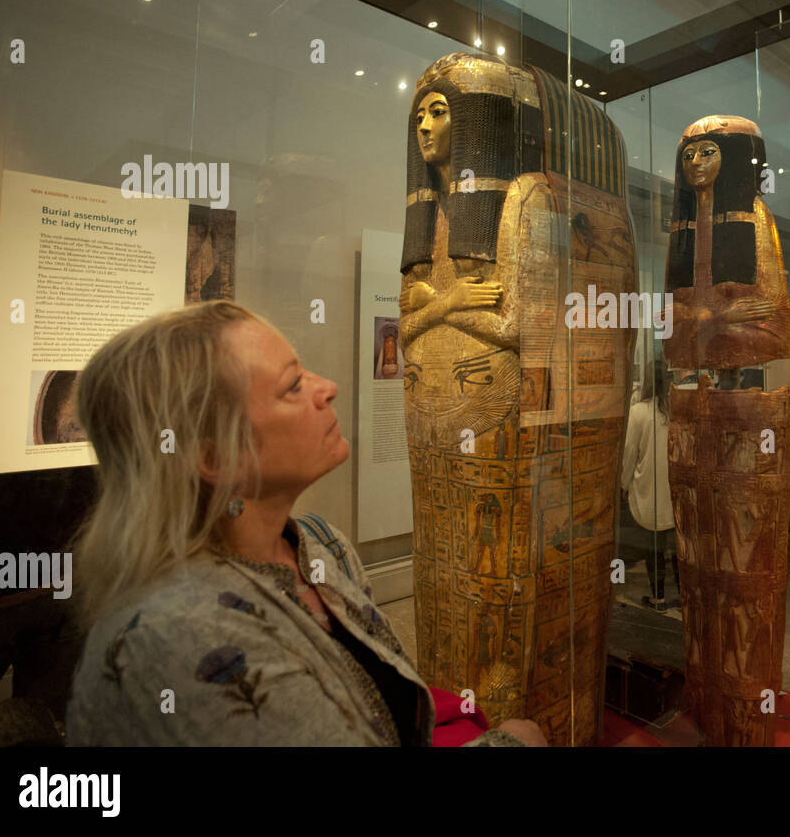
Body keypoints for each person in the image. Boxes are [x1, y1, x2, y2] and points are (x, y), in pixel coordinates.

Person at [65, 300, 544, 746]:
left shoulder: (318, 545)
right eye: (292, 385)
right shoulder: (182, 634)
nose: (327, 387)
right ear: (215, 456)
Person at [620, 361, 676, 608]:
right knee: (675, 545)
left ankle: (659, 596)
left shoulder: (639, 412)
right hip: (674, 484)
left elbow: (630, 452)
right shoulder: (676, 410)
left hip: (650, 485)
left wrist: (623, 482)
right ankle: (684, 595)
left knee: (654, 545)